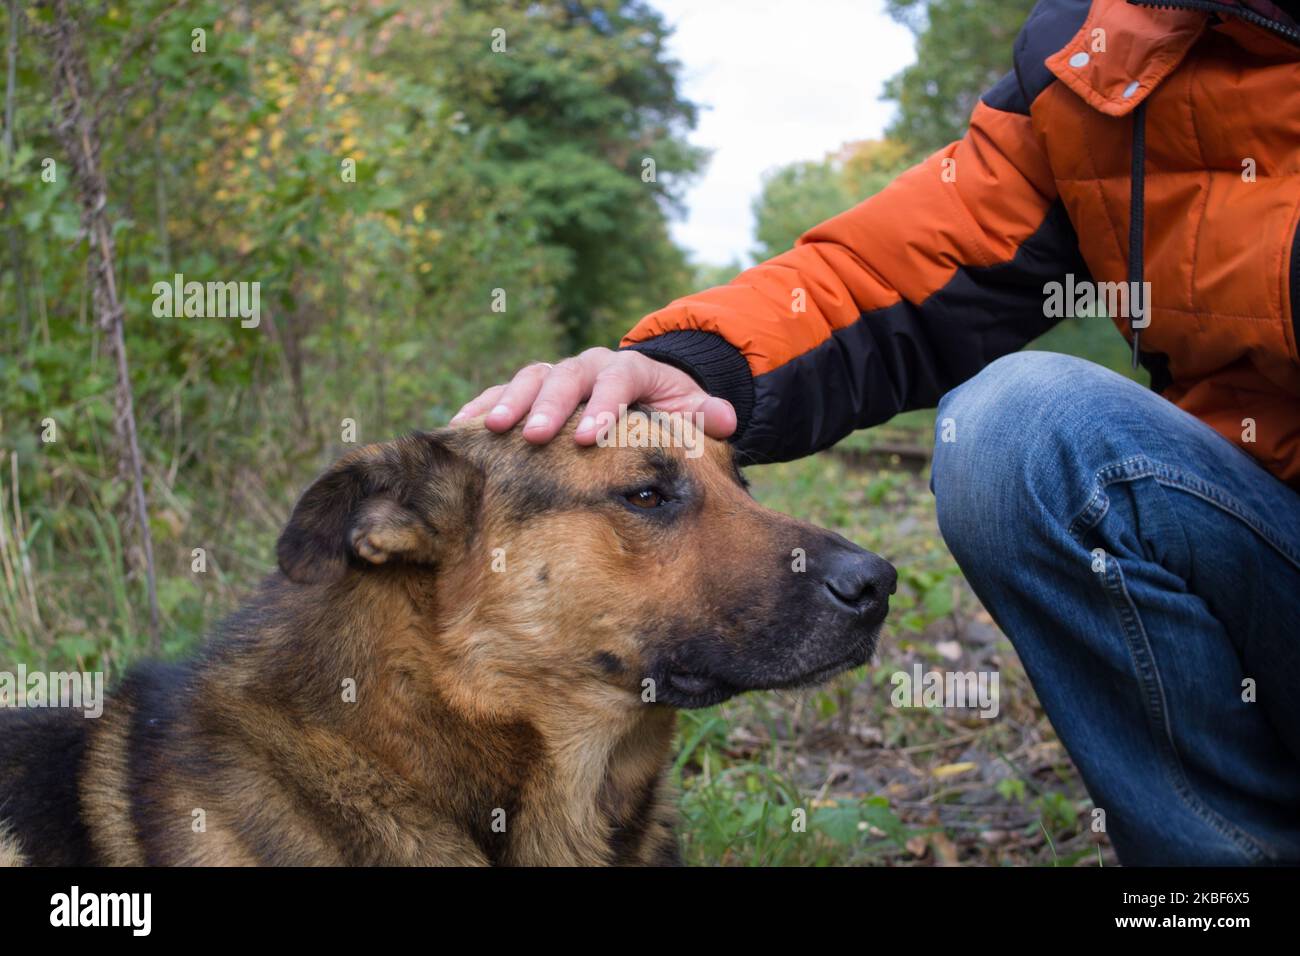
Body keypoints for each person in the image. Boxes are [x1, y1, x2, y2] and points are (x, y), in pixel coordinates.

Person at [452, 0, 1300, 865]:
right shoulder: (1101, 61)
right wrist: (697, 368)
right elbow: (897, 262)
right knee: (1024, 429)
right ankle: (1218, 876)